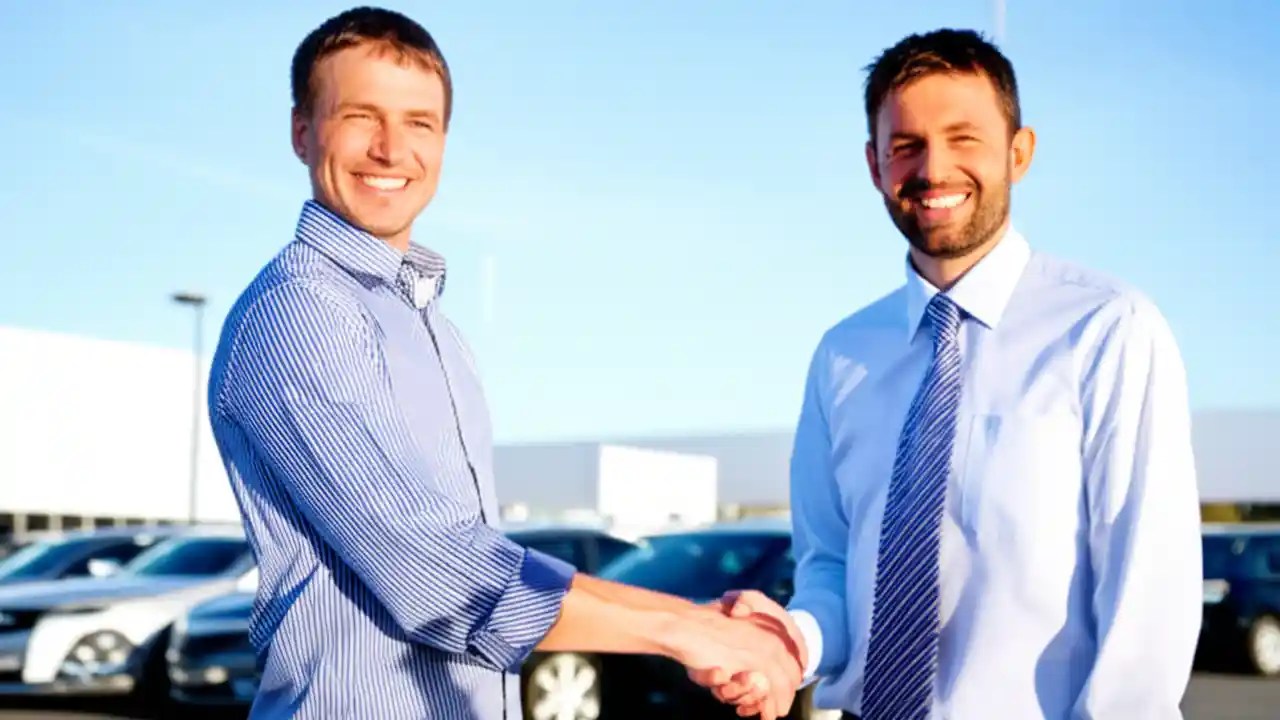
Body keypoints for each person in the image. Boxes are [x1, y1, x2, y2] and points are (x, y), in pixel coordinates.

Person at [206, 7, 803, 719]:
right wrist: (692, 633)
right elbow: (432, 568)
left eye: (419, 123)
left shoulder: (437, 333)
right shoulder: (299, 312)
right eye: (361, 116)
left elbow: (483, 553)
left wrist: (696, 617)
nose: (392, 149)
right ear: (303, 131)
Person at [710, 28, 1203, 720]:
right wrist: (795, 639)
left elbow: (1146, 595)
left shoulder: (1109, 330)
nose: (933, 168)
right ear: (875, 165)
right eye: (906, 145)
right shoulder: (842, 355)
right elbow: (829, 566)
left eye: (964, 138)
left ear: (1019, 153)